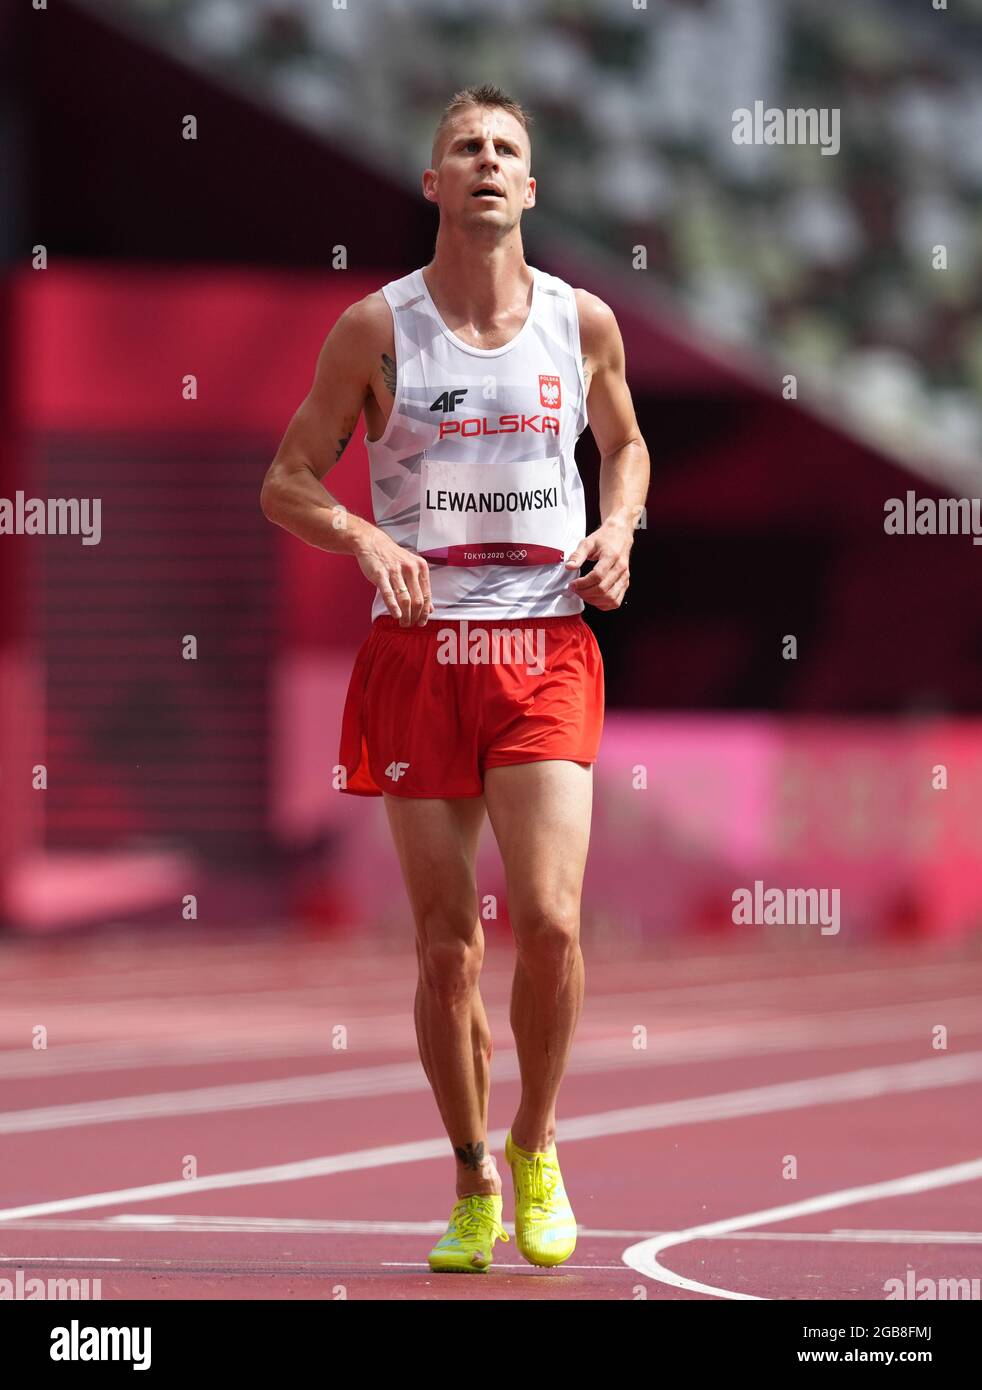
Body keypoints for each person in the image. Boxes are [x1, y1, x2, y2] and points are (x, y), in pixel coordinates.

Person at [261, 83, 649, 1274]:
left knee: (551, 919)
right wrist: (365, 538)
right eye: (462, 149)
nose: (484, 162)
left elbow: (624, 443)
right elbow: (287, 479)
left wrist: (621, 528)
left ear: (529, 188)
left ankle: (538, 1146)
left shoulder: (580, 323)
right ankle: (472, 1170)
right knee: (445, 948)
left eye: (504, 150)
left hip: (540, 648)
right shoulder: (374, 330)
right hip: (419, 658)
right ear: (431, 184)